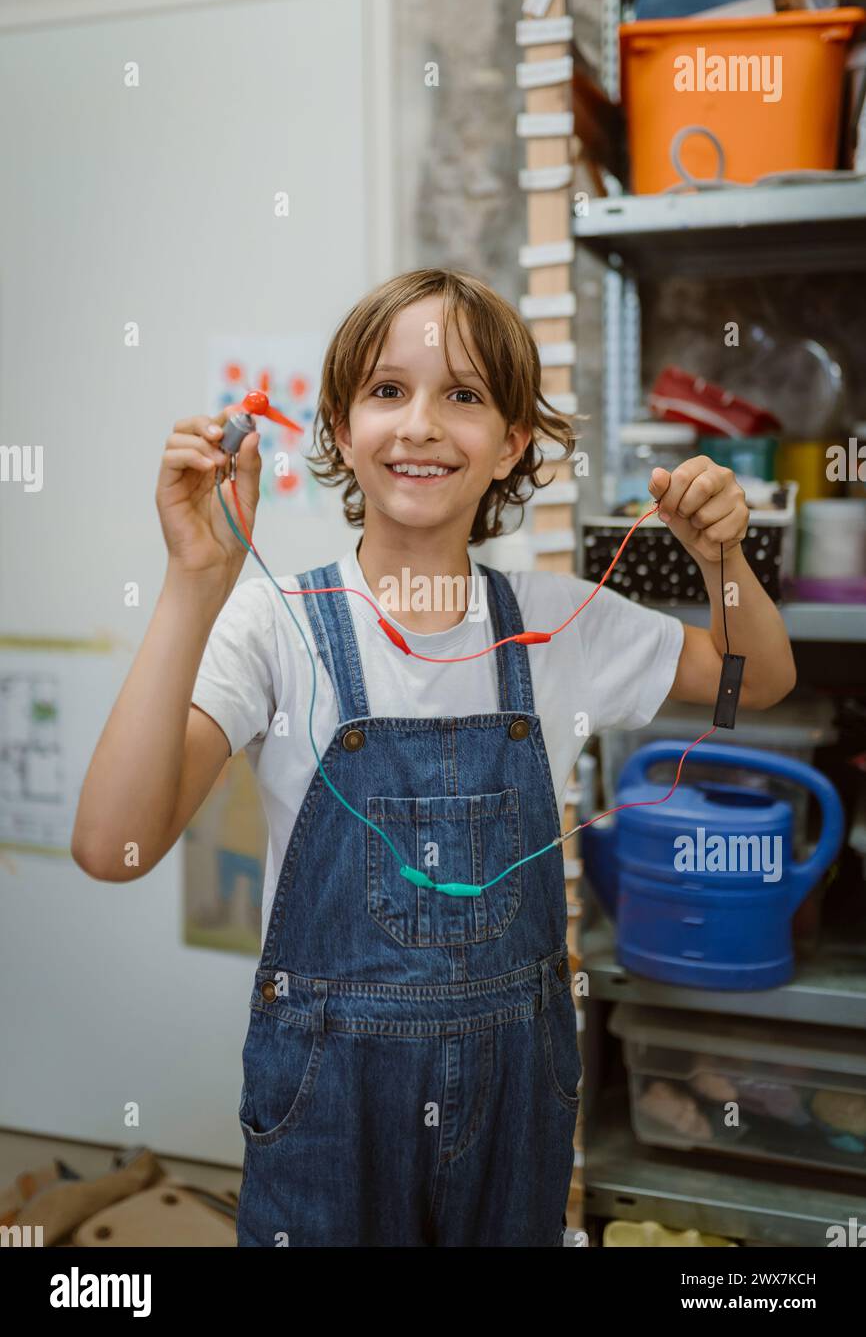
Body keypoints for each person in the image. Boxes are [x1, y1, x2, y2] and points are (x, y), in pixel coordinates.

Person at [72, 268, 796, 1247]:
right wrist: (192, 582)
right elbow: (113, 843)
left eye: (461, 395)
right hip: (328, 1111)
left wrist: (722, 561)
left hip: (513, 1105)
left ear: (508, 446)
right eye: (385, 390)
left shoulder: (555, 621)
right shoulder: (274, 626)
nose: (418, 423)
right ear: (336, 429)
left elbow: (750, 682)